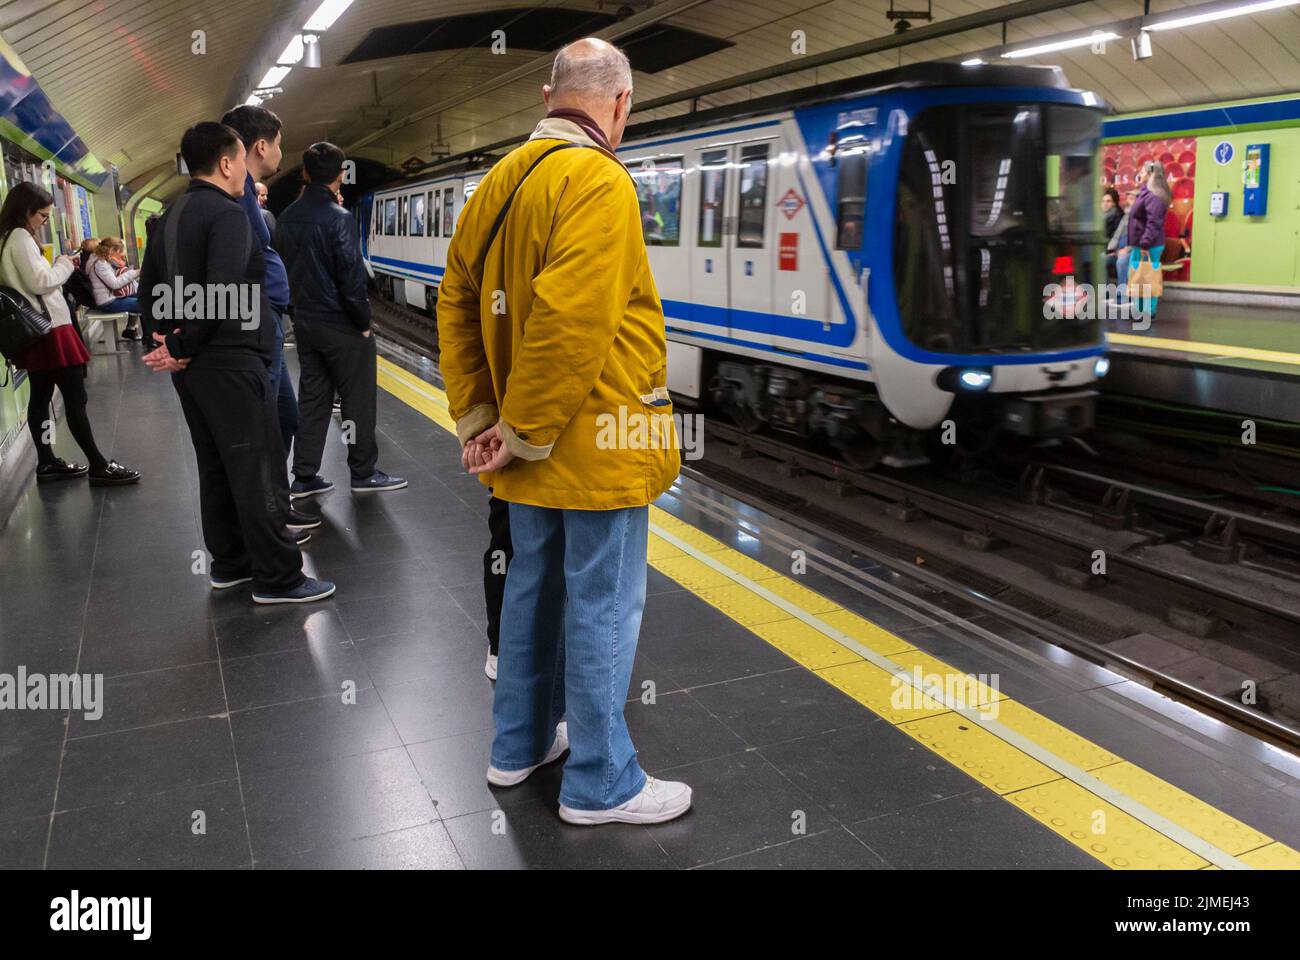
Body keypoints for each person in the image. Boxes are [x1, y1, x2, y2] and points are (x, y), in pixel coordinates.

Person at [438, 37, 690, 826]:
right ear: (620, 105)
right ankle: (601, 781)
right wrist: (528, 429)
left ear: (550, 96)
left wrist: (482, 418)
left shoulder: (498, 182)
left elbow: (456, 300)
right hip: (595, 443)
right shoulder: (600, 183)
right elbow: (571, 320)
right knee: (603, 603)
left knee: (531, 590)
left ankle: (517, 745)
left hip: (526, 443)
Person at [139, 121, 333, 605]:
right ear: (227, 163)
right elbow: (222, 290)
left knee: (217, 465)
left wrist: (161, 338)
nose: (247, 170)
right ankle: (278, 576)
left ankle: (229, 564)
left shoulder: (171, 213)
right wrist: (182, 344)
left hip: (194, 370)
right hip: (228, 358)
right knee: (259, 465)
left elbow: (149, 286)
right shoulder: (227, 215)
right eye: (243, 160)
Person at [275, 141, 405, 497]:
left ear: (303, 173)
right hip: (341, 325)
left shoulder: (285, 218)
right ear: (341, 175)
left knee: (314, 398)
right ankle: (363, 472)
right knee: (357, 399)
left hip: (305, 322)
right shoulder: (339, 218)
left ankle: (303, 476)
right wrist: (363, 322)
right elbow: (350, 277)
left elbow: (282, 272)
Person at [0, 182, 139, 485]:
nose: (45, 222)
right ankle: (99, 465)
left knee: (40, 397)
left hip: (40, 331)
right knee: (76, 398)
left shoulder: (8, 238)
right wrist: (64, 264)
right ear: (25, 211)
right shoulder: (21, 238)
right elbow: (41, 281)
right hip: (52, 331)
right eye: (42, 215)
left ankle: (48, 462)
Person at [219, 105, 312, 535]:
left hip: (268, 317)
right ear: (261, 145)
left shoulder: (247, 190)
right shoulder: (237, 192)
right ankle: (267, 517)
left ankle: (279, 501)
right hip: (259, 320)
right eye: (279, 143)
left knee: (284, 418)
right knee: (266, 422)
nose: (281, 152)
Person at [1127, 160, 1171, 321]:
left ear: (1151, 174)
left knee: (1147, 278)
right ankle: (1139, 309)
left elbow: (1154, 222)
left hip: (1148, 245)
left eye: (1144, 172)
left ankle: (1146, 311)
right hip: (1142, 244)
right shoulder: (1147, 191)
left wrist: (1145, 243)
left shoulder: (1155, 196)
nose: (1141, 174)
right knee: (1139, 277)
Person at [1101, 188, 1121, 280]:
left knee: (1100, 260)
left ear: (1114, 203)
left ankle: (1103, 292)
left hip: (1114, 253)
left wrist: (1110, 251)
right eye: (1103, 201)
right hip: (1104, 250)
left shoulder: (1118, 217)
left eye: (1108, 201)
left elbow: (1116, 239)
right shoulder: (1101, 217)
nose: (1105, 204)